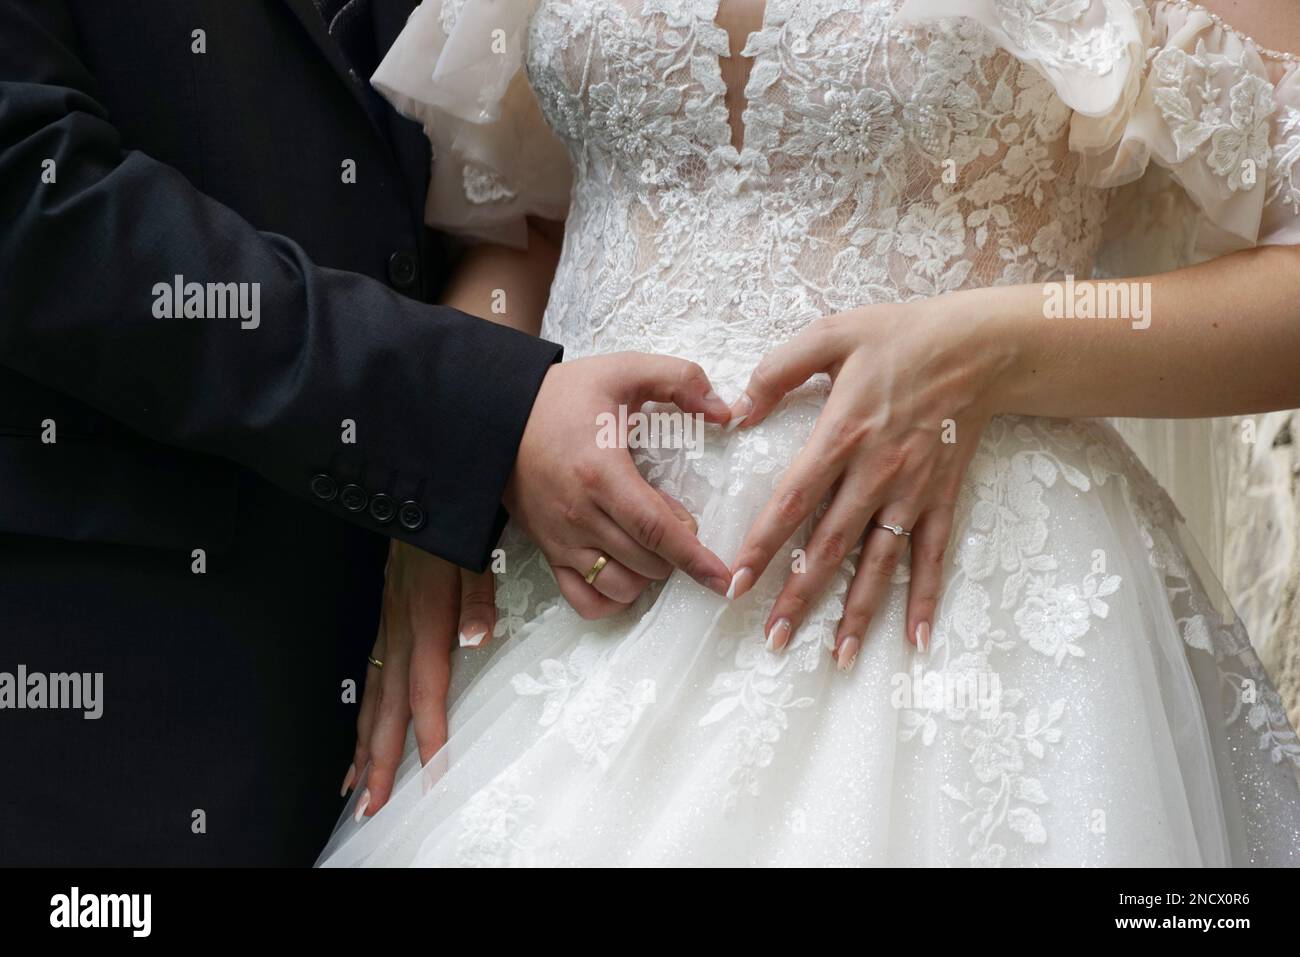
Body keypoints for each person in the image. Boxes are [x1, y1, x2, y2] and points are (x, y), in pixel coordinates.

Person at [322, 0, 1300, 866]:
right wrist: (471, 435)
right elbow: (523, 226)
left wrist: (991, 347)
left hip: (951, 605)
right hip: (570, 599)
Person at [0, 0, 730, 866]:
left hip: (494, 624)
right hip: (144, 666)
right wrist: (470, 417)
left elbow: (499, 194)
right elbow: (33, 197)